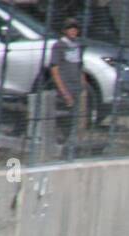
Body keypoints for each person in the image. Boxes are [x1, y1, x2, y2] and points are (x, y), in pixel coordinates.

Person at [50, 18, 87, 158]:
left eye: (75, 28)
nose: (73, 31)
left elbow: (80, 67)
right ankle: (60, 151)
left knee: (76, 121)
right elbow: (55, 71)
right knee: (63, 120)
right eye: (70, 28)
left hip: (77, 89)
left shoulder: (77, 45)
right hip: (65, 89)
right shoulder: (59, 46)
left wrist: (83, 86)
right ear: (64, 30)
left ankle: (72, 150)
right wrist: (64, 92)